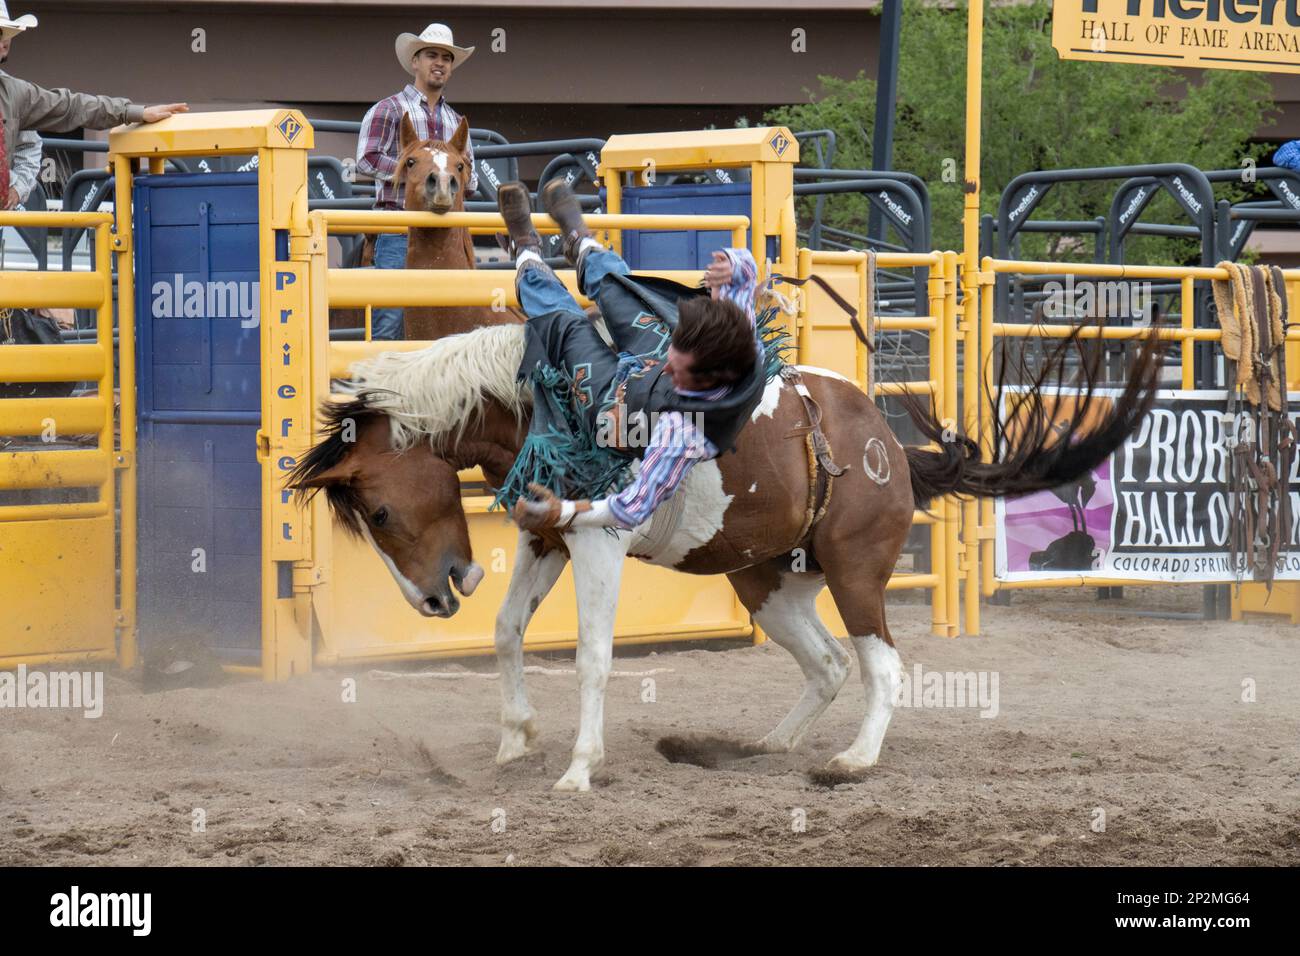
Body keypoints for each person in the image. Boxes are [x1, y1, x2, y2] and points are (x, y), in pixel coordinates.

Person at [499, 179, 764, 533]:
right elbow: (747, 275)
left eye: (678, 370)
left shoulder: (684, 433)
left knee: (563, 325)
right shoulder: (738, 336)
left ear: (701, 380)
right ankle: (581, 243)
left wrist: (562, 512)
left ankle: (525, 251)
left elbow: (633, 506)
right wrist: (733, 264)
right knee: (622, 290)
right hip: (657, 368)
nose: (669, 365)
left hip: (624, 410)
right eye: (676, 353)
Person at [356, 22, 478, 340]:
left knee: (453, 320)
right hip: (399, 228)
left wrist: (449, 175)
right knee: (391, 321)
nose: (439, 63)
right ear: (416, 62)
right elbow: (366, 158)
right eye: (431, 55)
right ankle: (382, 388)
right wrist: (417, 174)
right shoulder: (390, 109)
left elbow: (471, 177)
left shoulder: (455, 121)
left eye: (446, 58)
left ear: (451, 68)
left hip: (447, 237)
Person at [0, 5, 187, 208]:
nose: (4, 42)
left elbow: (71, 107)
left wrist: (133, 112)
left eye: (4, 34)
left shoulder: (12, 92)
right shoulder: (12, 92)